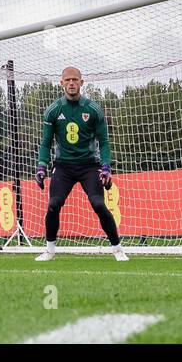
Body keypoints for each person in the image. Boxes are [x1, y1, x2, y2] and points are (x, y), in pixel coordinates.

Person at [35, 67, 127, 262]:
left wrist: (106, 167)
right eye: (67, 80)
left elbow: (104, 142)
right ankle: (49, 250)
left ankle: (117, 249)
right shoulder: (53, 110)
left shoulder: (93, 109)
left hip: (89, 166)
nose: (71, 83)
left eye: (75, 80)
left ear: (81, 83)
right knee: (53, 204)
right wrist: (42, 165)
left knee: (99, 204)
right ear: (61, 83)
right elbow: (45, 143)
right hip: (63, 166)